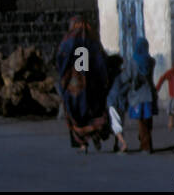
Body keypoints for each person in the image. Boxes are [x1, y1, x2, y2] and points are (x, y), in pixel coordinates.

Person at [55, 15, 110, 153]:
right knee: (94, 110)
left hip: (74, 85)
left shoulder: (68, 40)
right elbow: (101, 61)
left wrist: (64, 76)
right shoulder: (93, 41)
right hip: (92, 84)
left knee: (74, 111)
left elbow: (61, 58)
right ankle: (95, 134)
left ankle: (81, 143)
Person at [127, 36, 158, 153]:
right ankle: (148, 143)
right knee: (148, 120)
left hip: (137, 95)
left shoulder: (133, 61)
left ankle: (145, 146)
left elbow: (129, 77)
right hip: (149, 93)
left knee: (141, 122)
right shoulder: (151, 61)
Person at [106, 54, 129, 153]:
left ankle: (123, 144)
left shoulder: (109, 74)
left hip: (113, 101)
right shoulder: (123, 74)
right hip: (122, 102)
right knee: (120, 122)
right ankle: (116, 144)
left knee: (115, 123)